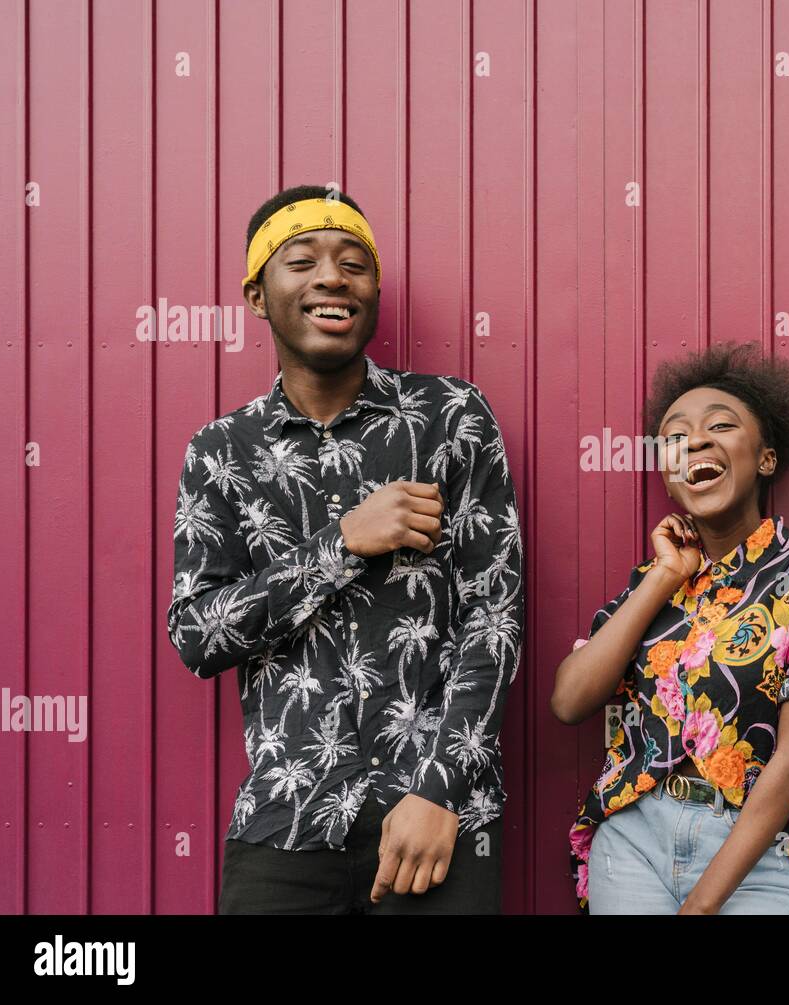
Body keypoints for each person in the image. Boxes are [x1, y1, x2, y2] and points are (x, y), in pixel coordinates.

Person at [166, 184, 523, 914]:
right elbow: (197, 635)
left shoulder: (450, 417)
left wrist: (438, 788)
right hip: (285, 820)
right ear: (258, 296)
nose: (333, 276)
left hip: (433, 824)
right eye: (302, 260)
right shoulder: (220, 451)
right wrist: (342, 543)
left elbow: (494, 622)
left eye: (355, 264)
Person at [552, 342, 789, 914]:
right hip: (631, 844)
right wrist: (663, 577)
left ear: (767, 459)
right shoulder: (651, 584)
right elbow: (570, 700)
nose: (695, 440)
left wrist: (701, 905)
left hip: (755, 857)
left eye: (721, 426)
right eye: (675, 436)